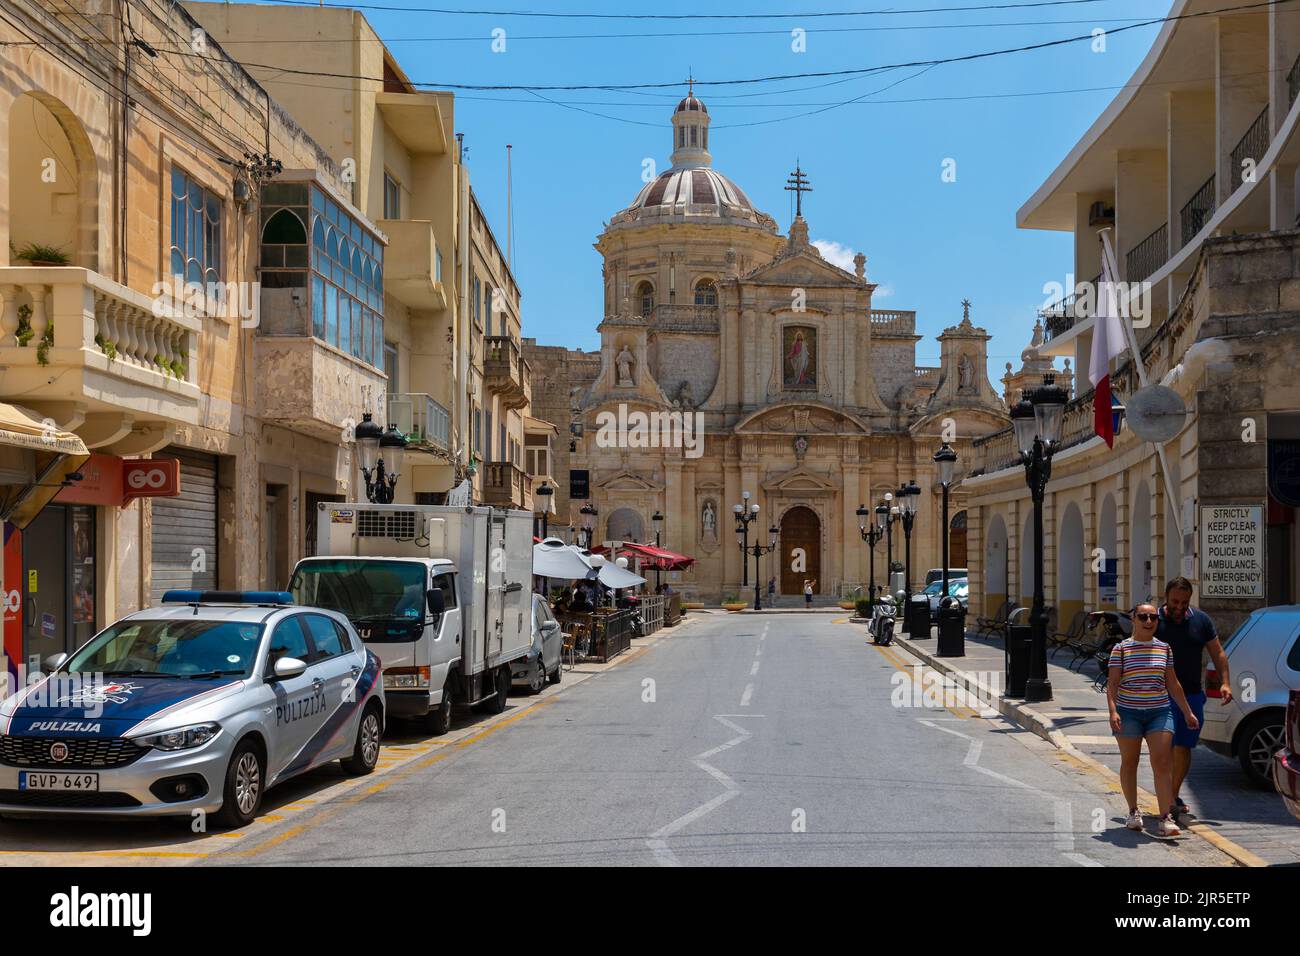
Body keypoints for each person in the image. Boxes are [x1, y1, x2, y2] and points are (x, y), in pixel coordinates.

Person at [1107, 601, 1200, 838]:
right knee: (1130, 762)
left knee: (1162, 763)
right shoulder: (1121, 649)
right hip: (1128, 712)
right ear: (1134, 620)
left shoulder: (1164, 648)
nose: (1149, 622)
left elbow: (1172, 683)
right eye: (1143, 617)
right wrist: (1113, 711)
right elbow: (1113, 684)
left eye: (1153, 618)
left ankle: (1165, 817)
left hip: (1160, 711)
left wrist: (1187, 712)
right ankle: (1133, 811)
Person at [1158, 576, 1231, 825]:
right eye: (1174, 601)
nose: (1179, 607)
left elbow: (1218, 652)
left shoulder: (1201, 620)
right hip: (1158, 696)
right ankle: (1166, 797)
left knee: (1184, 747)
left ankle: (1172, 795)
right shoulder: (1152, 620)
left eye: (1184, 602)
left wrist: (1225, 682)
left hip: (1190, 695)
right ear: (1166, 597)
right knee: (1164, 749)